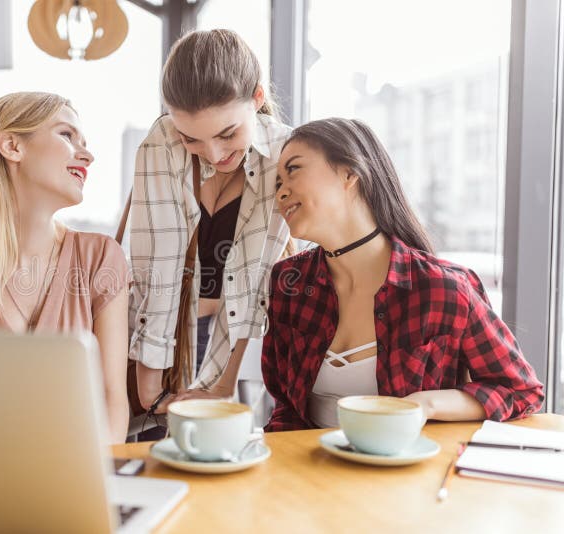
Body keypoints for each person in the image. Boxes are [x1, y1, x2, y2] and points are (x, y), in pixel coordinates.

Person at [262, 118, 544, 431]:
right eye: (277, 184)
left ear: (350, 173)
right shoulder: (288, 283)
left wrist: (426, 403)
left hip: (409, 461)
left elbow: (520, 390)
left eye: (293, 170)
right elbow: (285, 407)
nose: (281, 193)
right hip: (303, 460)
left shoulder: (444, 289)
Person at [0, 92, 130, 443]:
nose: (87, 155)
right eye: (67, 135)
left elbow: (111, 401)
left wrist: (96, 474)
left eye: (84, 143)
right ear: (12, 146)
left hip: (83, 472)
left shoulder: (100, 258)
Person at [128, 29, 294, 430]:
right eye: (193, 140)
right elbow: (160, 265)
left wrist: (222, 385)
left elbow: (256, 282)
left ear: (257, 98)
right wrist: (150, 385)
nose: (214, 154)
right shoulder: (163, 141)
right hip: (161, 339)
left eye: (227, 134)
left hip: (245, 344)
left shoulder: (285, 154)